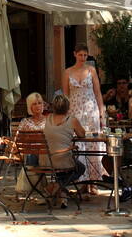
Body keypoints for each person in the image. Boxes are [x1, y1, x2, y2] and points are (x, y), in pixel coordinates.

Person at [61, 43, 107, 182]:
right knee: (78, 143)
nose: (82, 57)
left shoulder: (91, 70)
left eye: (85, 55)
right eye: (80, 55)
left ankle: (94, 181)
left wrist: (101, 113)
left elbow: (98, 93)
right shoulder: (67, 72)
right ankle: (81, 180)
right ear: (74, 54)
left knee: (93, 143)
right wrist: (65, 116)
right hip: (74, 110)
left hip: (90, 109)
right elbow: (65, 96)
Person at [40, 94, 86, 206]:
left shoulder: (47, 119)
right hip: (62, 158)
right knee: (80, 167)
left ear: (53, 107)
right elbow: (82, 134)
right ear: (68, 107)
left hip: (45, 160)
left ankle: (61, 195)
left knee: (61, 167)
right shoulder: (72, 120)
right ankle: (56, 186)